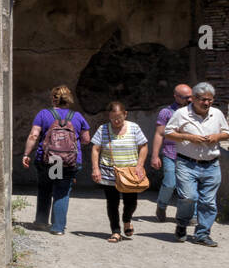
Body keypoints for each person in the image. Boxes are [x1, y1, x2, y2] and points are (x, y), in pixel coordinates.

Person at [163, 82, 229, 248]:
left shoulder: (217, 114)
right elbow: (168, 132)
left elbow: (228, 132)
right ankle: (182, 224)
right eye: (203, 99)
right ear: (193, 99)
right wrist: (188, 137)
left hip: (211, 164)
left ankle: (202, 234)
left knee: (208, 202)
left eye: (210, 100)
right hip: (187, 163)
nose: (206, 103)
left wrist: (217, 136)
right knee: (189, 197)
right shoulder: (181, 114)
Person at [21, 85, 91, 235]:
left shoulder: (44, 114)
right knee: (61, 191)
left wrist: (26, 154)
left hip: (50, 159)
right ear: (69, 99)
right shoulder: (77, 116)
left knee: (46, 188)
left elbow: (34, 135)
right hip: (69, 160)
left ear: (53, 98)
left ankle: (41, 222)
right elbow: (86, 139)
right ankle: (58, 228)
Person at [90, 101, 148, 243]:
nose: (116, 121)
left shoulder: (134, 128)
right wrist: (95, 168)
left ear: (125, 114)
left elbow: (144, 146)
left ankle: (127, 219)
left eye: (119, 118)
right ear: (108, 116)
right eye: (113, 118)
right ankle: (115, 231)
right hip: (109, 172)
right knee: (112, 203)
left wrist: (140, 166)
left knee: (131, 202)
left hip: (130, 173)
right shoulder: (103, 129)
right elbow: (95, 149)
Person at [150, 83, 194, 221]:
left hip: (189, 154)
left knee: (189, 186)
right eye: (185, 97)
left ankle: (188, 214)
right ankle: (162, 205)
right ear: (176, 96)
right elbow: (159, 134)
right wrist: (155, 155)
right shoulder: (166, 113)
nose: (189, 100)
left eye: (191, 96)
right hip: (170, 153)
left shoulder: (195, 112)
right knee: (170, 183)